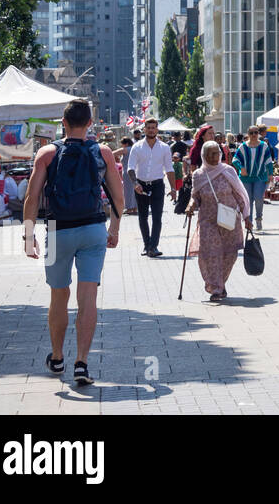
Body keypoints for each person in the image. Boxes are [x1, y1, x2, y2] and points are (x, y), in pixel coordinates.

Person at [21, 99, 122, 387]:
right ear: (90, 123)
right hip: (92, 228)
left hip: (56, 228)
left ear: (62, 123)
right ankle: (81, 362)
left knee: (58, 295)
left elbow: (32, 198)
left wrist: (29, 237)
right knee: (88, 296)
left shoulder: (47, 153)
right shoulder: (102, 152)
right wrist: (113, 230)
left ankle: (56, 357)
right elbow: (118, 198)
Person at [184, 141, 252, 302]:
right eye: (211, 154)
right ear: (204, 156)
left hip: (229, 219)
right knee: (210, 254)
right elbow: (195, 196)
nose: (215, 157)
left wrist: (246, 216)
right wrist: (190, 205)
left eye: (217, 153)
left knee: (230, 254)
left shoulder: (228, 171)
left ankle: (220, 281)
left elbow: (239, 194)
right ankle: (216, 288)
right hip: (208, 220)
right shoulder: (198, 175)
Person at [126, 117, 175, 257]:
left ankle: (153, 247)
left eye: (154, 127)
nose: (151, 130)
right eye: (149, 127)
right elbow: (130, 168)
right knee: (143, 217)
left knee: (157, 217)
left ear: (157, 129)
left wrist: (173, 189)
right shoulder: (137, 147)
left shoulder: (164, 148)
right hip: (141, 185)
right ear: (144, 129)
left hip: (158, 185)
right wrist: (135, 184)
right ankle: (146, 245)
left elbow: (169, 169)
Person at [232, 126, 276, 230]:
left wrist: (270, 174)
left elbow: (269, 161)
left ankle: (259, 219)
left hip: (260, 177)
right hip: (246, 178)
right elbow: (235, 159)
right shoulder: (243, 147)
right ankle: (249, 222)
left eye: (256, 133)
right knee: (248, 200)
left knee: (259, 198)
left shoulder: (263, 146)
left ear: (258, 134)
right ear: (248, 134)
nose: (253, 135)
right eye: (251, 133)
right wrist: (241, 168)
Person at [114, 136, 137, 213]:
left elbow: (112, 153)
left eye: (122, 144)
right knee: (135, 190)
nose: (122, 146)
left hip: (127, 172)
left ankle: (129, 208)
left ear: (126, 143)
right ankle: (135, 207)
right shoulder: (135, 149)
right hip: (135, 171)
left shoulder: (125, 149)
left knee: (127, 190)